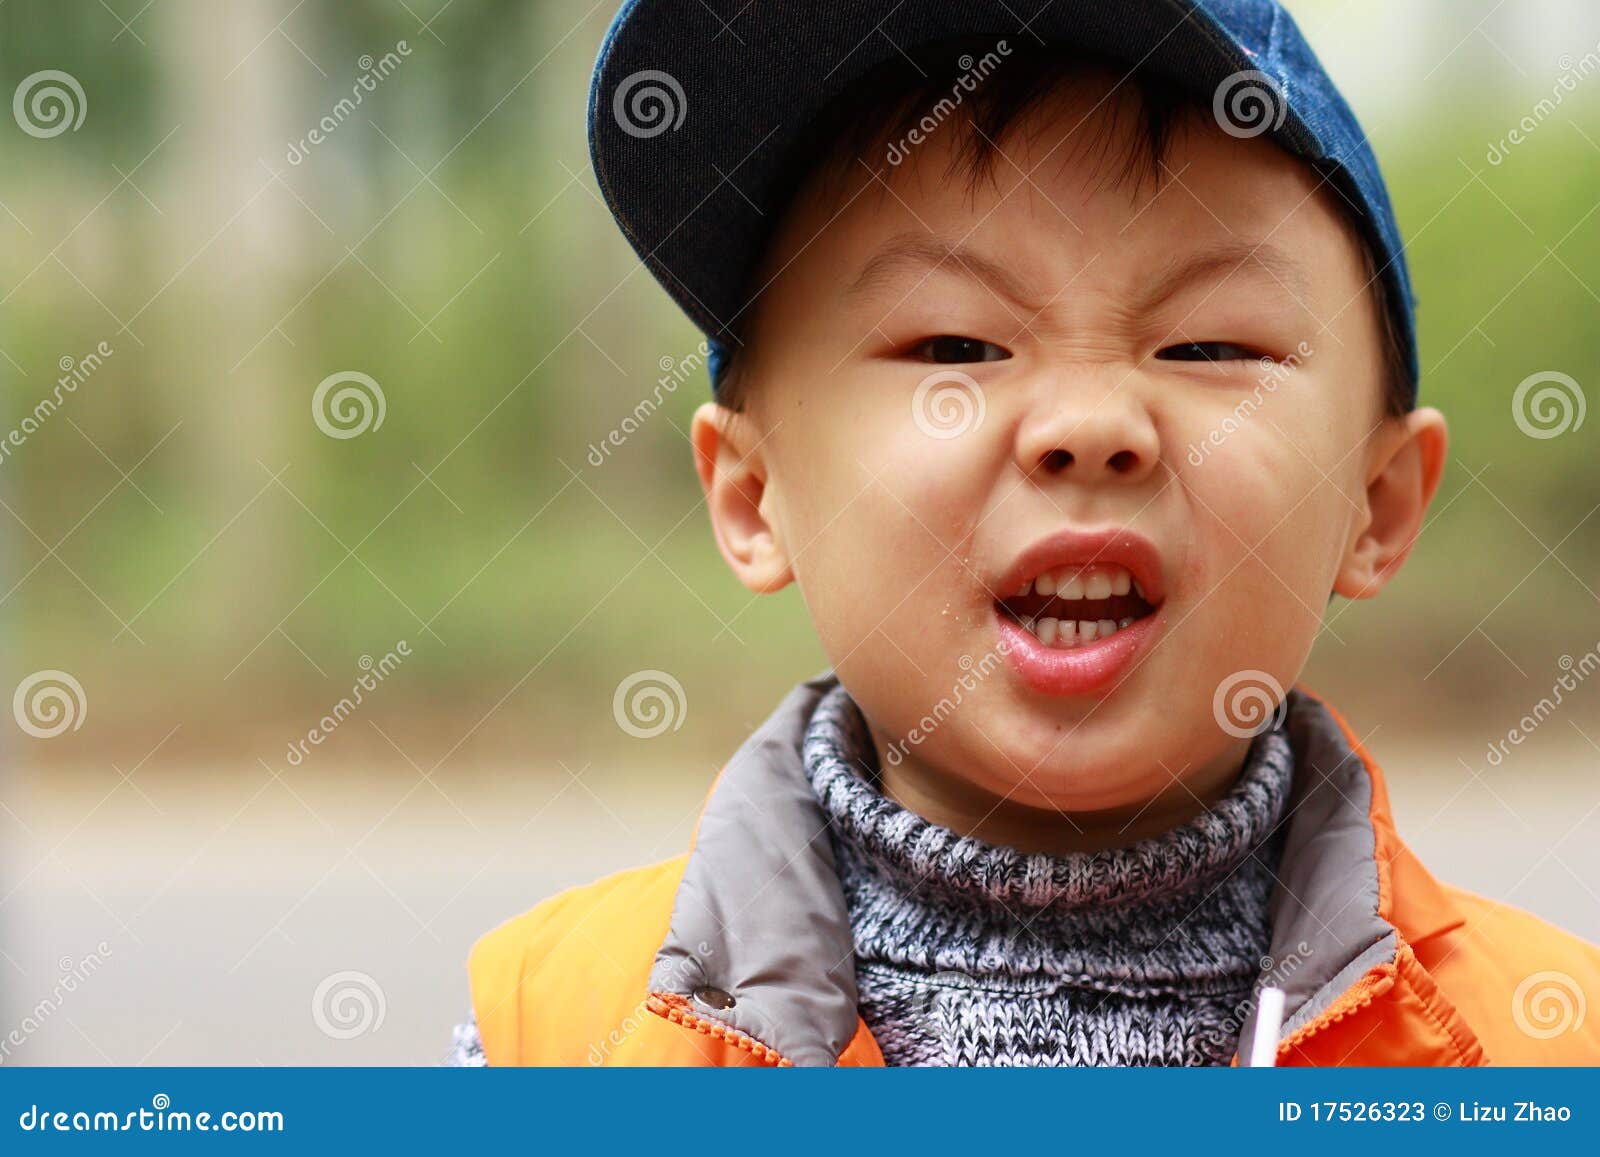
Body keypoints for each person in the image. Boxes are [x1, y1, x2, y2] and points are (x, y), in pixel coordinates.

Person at [448, 0, 1600, 1066]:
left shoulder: (1543, 1044)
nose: (1090, 426)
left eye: (1207, 346)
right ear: (753, 497)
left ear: (1379, 501)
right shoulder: (554, 1043)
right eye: (953, 346)